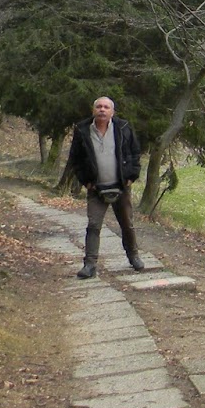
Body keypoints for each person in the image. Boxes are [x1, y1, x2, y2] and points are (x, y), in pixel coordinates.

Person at [65, 95, 144, 279]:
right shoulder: (83, 130)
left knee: (127, 224)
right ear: (93, 110)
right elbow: (75, 159)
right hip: (96, 189)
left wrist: (131, 176)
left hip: (121, 186)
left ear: (112, 112)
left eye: (106, 107)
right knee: (93, 225)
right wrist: (87, 181)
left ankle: (134, 257)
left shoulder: (123, 128)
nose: (102, 110)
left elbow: (134, 152)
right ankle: (90, 265)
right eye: (99, 107)